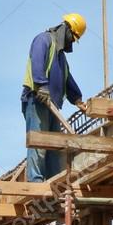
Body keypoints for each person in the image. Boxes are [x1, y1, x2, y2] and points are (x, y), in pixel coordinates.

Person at [22, 14, 88, 182]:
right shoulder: (43, 40)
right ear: (66, 30)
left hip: (53, 105)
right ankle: (35, 181)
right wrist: (42, 85)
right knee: (40, 142)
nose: (72, 42)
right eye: (73, 38)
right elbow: (37, 61)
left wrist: (78, 99)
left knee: (55, 145)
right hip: (37, 100)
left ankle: (53, 180)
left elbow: (67, 78)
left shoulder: (61, 57)